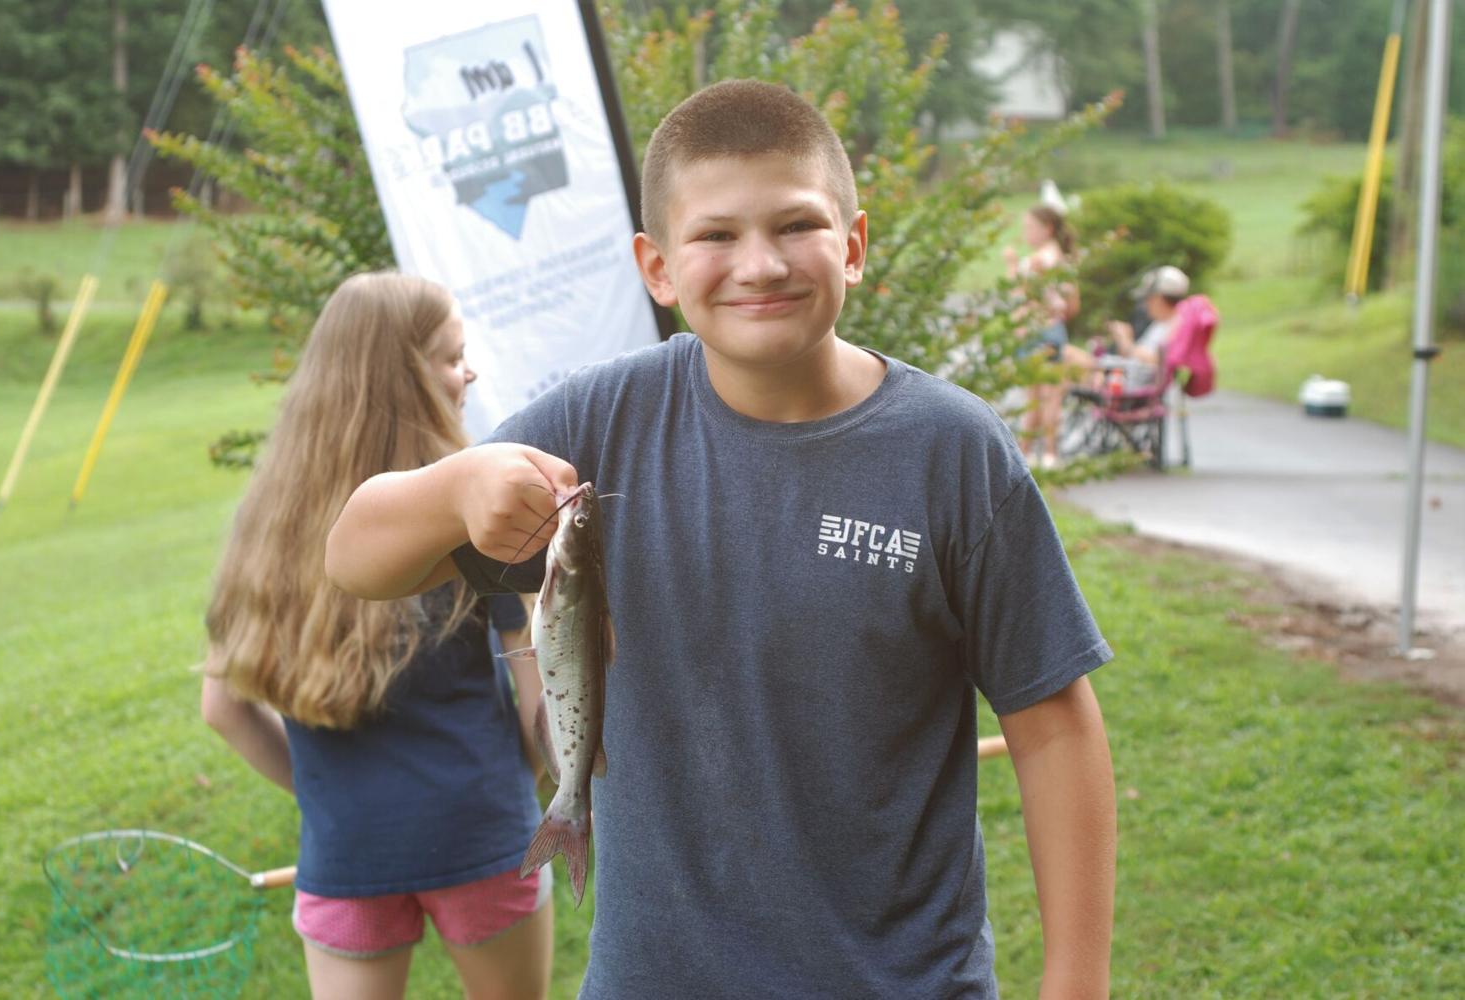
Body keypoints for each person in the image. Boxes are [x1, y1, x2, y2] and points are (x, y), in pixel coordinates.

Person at [326, 81, 1116, 999]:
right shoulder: (600, 418)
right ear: (657, 268)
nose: (761, 265)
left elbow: (1055, 727)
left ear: (853, 248)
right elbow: (354, 558)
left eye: (796, 226)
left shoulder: (953, 451)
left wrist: (1076, 985)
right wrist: (455, 486)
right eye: (714, 236)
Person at [200, 273, 553, 1000]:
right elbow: (535, 715)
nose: (471, 372)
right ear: (407, 379)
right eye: (453, 358)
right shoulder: (469, 517)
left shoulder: (266, 524)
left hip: (343, 857)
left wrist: (335, 806)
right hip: (485, 840)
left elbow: (222, 707)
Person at [1004, 203, 1080, 468]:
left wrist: (1012, 267)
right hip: (1052, 329)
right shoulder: (1059, 257)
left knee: (1041, 396)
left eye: (1030, 227)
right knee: (1044, 393)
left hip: (1037, 330)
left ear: (1047, 229)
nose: (1026, 233)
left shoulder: (1039, 260)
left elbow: (1019, 295)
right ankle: (1039, 455)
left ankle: (1039, 455)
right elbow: (1071, 304)